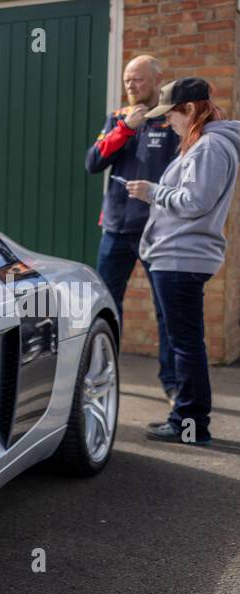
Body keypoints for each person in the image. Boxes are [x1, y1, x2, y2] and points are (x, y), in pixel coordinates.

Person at [127, 77, 240, 447]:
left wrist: (151, 192)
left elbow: (195, 202)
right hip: (175, 257)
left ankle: (190, 427)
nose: (167, 122)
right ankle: (187, 423)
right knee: (185, 343)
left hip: (181, 258)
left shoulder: (209, 147)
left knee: (186, 345)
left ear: (190, 109)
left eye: (171, 115)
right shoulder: (204, 144)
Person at [85, 55, 179, 407]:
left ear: (157, 80)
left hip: (158, 231)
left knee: (166, 308)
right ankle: (104, 374)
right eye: (127, 80)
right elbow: (93, 162)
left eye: (138, 80)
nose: (131, 86)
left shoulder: (171, 120)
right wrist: (124, 129)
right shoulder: (118, 119)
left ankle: (173, 385)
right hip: (115, 229)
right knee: (107, 305)